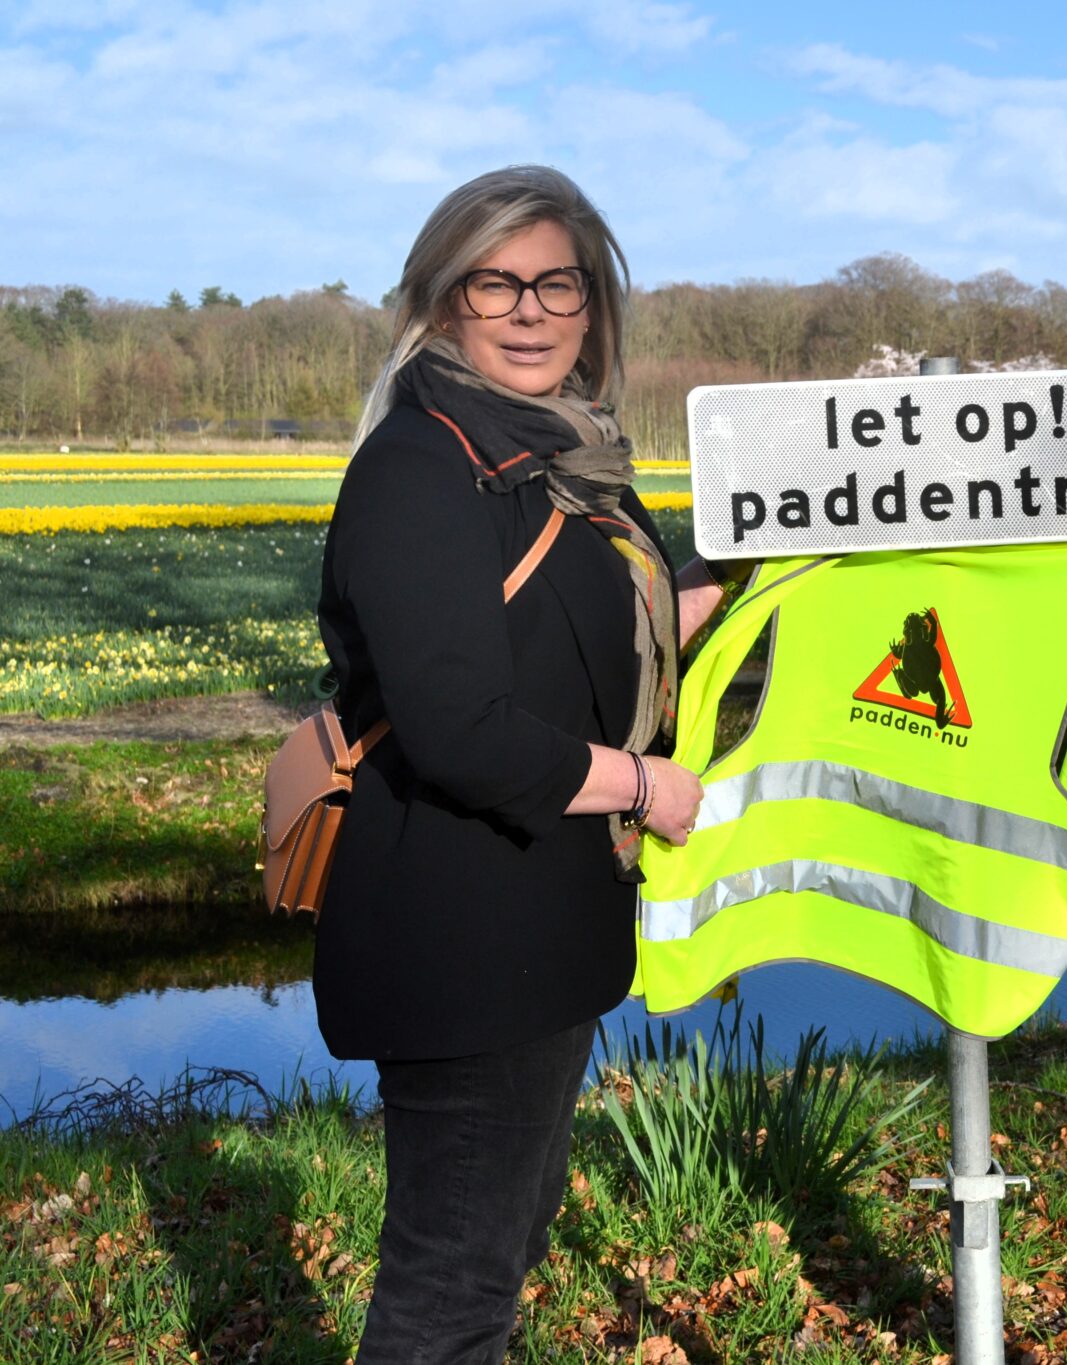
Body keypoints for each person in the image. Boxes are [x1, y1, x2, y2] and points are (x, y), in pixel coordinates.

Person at [317, 164, 734, 1362]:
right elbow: (456, 726)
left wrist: (716, 596)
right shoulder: (421, 467)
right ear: (442, 303)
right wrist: (645, 787)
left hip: (537, 931)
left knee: (491, 1261)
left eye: (557, 282)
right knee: (449, 1293)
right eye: (493, 283)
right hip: (460, 941)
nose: (530, 309)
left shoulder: (556, 462)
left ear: (594, 305)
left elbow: (564, 629)